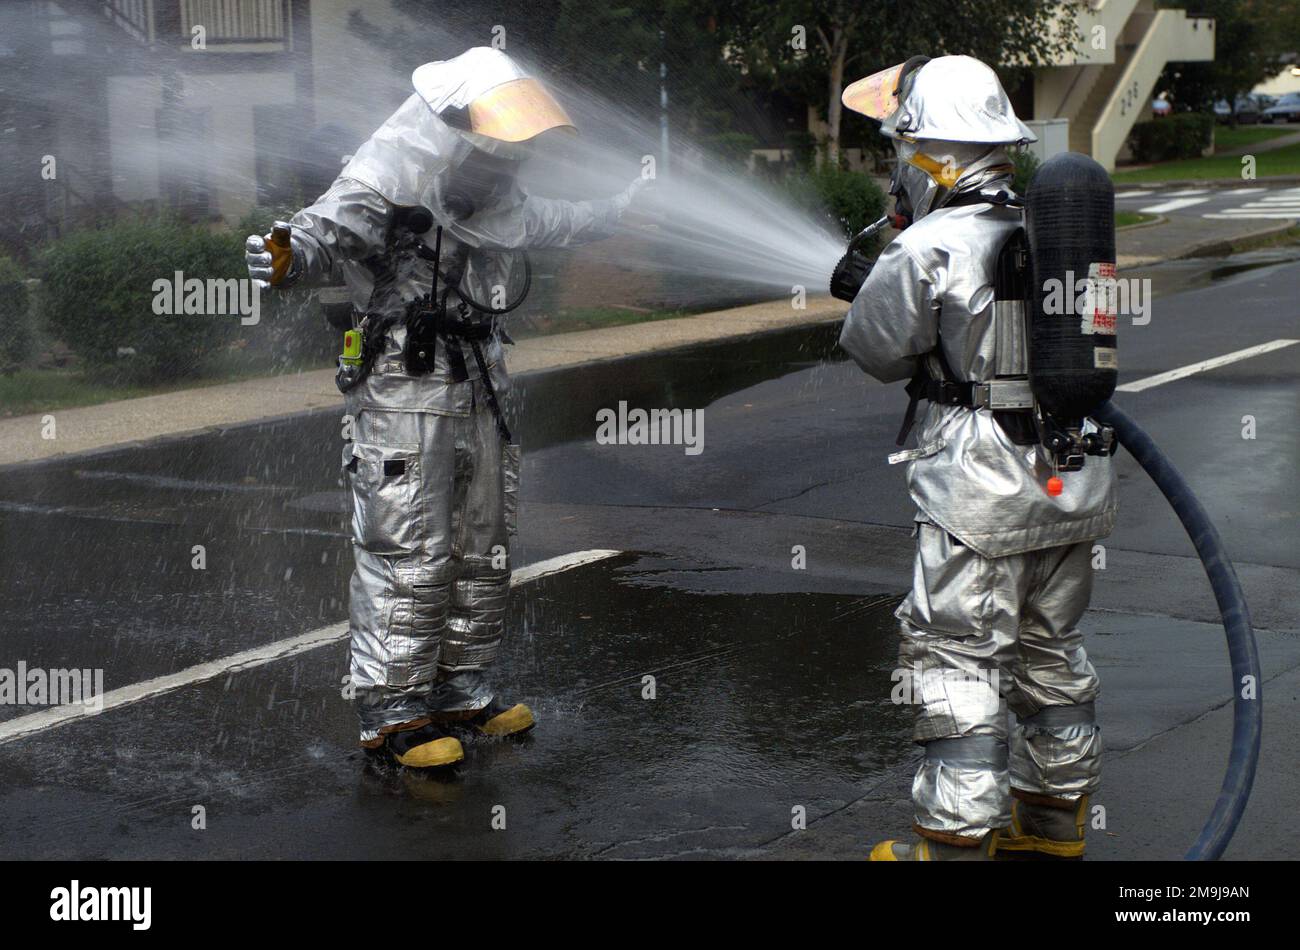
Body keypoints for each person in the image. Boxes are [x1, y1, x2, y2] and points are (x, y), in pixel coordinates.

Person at [246, 47, 646, 768]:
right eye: (496, 149)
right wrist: (285, 254)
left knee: (482, 541)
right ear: (455, 135)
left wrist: (622, 209)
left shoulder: (500, 203)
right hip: (405, 385)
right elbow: (324, 229)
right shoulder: (389, 180)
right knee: (408, 543)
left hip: (481, 382)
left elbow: (556, 220)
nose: (506, 164)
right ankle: (392, 711)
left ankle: (463, 687)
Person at [834, 55, 1117, 860]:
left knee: (956, 663)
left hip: (978, 495)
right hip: (1072, 481)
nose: (898, 168)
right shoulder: (1050, 226)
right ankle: (1054, 830)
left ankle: (953, 848)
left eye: (902, 150)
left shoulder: (930, 244)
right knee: (1050, 654)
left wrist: (873, 276)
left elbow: (878, 351)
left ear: (932, 154)